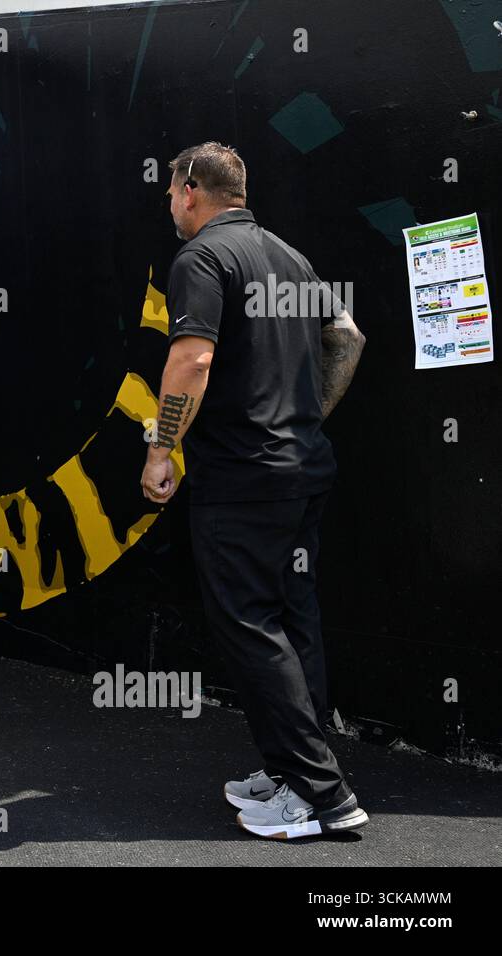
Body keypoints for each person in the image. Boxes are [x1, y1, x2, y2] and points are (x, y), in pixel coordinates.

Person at [144, 142, 368, 840]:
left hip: (244, 481)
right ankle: (289, 771)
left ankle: (319, 794)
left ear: (189, 189)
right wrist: (300, 421)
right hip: (302, 472)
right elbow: (348, 335)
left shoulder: (201, 258)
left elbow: (194, 356)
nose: (169, 204)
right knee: (291, 624)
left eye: (171, 191)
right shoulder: (287, 255)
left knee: (249, 628)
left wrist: (162, 447)